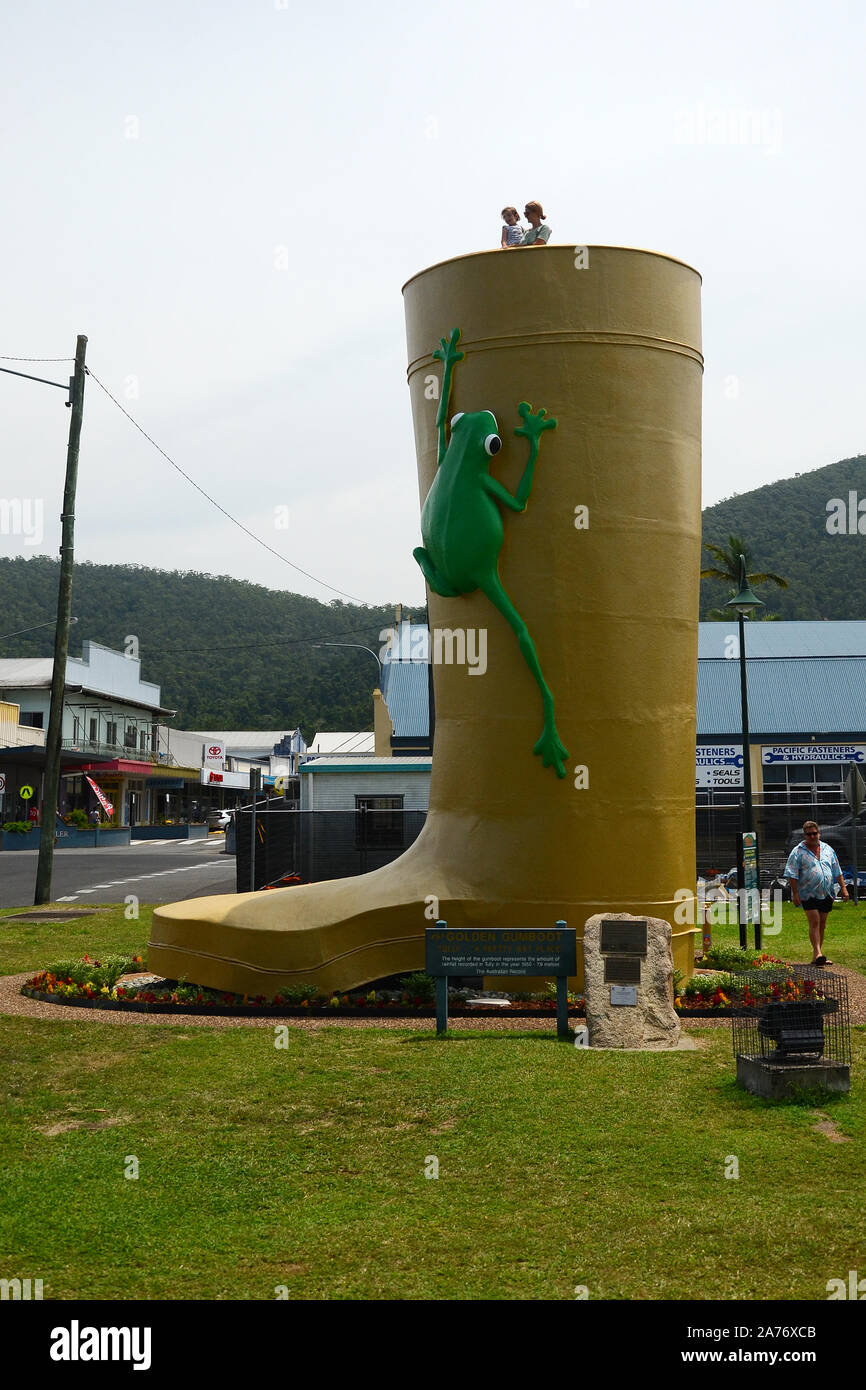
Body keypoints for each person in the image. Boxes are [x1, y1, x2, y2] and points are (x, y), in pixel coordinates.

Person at [784, 821, 847, 965]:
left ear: (819, 833)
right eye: (809, 834)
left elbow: (837, 870)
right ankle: (819, 953)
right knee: (815, 922)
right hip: (807, 893)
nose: (812, 836)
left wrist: (843, 888)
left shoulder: (827, 849)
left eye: (814, 833)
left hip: (827, 892)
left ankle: (816, 956)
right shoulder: (798, 852)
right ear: (805, 835)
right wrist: (795, 893)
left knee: (822, 924)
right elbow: (792, 874)